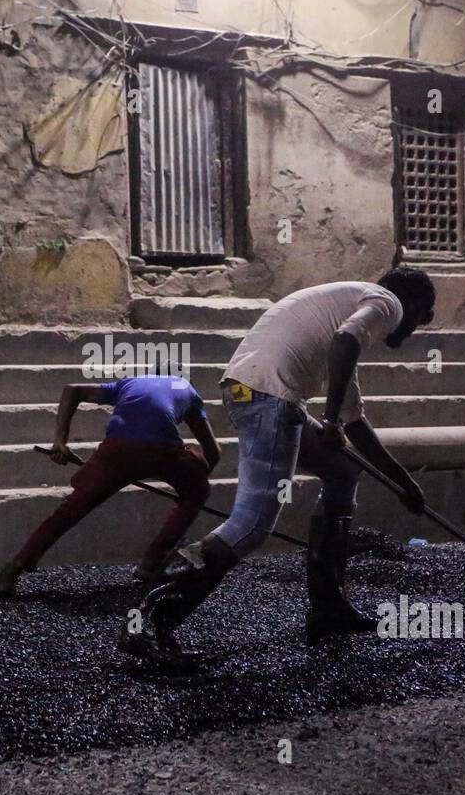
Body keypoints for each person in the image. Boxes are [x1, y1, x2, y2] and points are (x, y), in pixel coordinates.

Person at [120, 268, 437, 664]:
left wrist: (403, 483)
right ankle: (148, 623)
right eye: (421, 318)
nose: (409, 329)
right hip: (270, 395)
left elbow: (355, 421)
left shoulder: (342, 314)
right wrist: (332, 420)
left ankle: (329, 608)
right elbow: (346, 343)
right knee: (251, 524)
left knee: (342, 471)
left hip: (249, 388)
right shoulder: (385, 302)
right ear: (414, 305)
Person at [0, 373, 221, 597]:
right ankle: (151, 564)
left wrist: (60, 443)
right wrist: (193, 485)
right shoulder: (187, 389)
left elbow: (72, 390)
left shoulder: (129, 383)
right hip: (163, 451)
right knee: (198, 492)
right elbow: (214, 452)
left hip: (116, 451)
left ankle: (12, 571)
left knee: (72, 508)